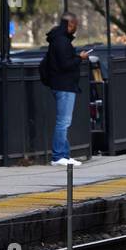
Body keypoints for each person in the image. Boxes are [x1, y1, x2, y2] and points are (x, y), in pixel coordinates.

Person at [43, 12, 89, 166]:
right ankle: (58, 156)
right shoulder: (62, 41)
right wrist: (79, 58)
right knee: (63, 122)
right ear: (70, 24)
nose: (76, 29)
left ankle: (65, 154)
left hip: (62, 85)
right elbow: (65, 64)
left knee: (64, 122)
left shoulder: (57, 39)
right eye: (75, 25)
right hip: (64, 86)